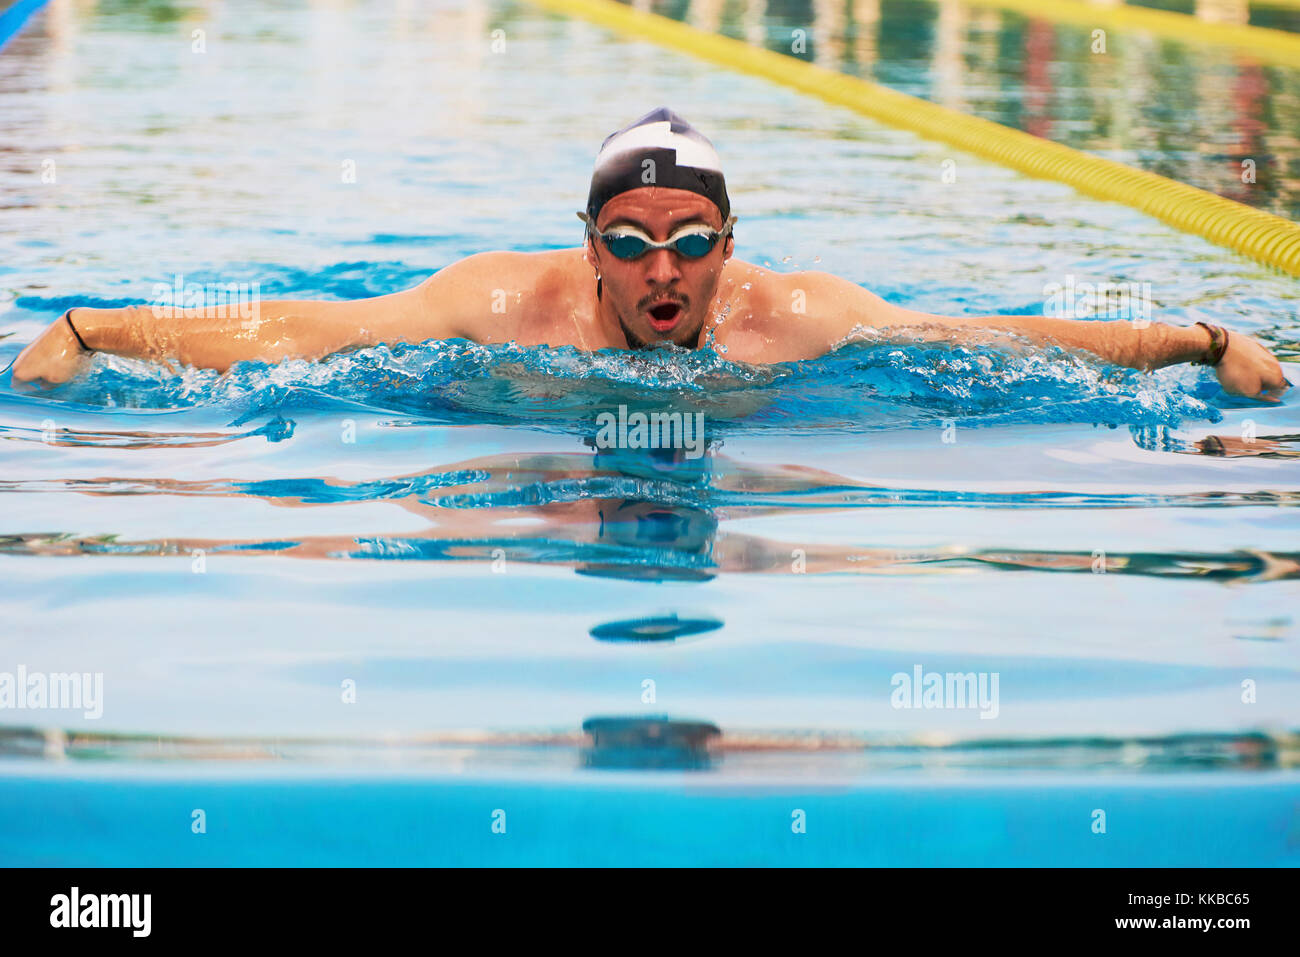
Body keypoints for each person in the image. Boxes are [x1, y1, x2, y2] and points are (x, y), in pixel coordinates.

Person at [10, 107, 1290, 401]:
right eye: (630, 245)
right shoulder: (505, 300)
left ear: (730, 249)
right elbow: (299, 333)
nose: (661, 274)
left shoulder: (797, 317)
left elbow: (1003, 346)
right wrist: (93, 329)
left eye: (688, 247)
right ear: (592, 248)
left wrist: (1201, 336)